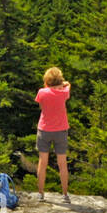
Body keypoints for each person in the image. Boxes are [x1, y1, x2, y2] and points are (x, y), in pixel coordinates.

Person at [34, 67, 72, 203]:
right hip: (61, 130)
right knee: (62, 163)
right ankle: (65, 195)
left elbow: (41, 100)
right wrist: (62, 85)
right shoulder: (64, 93)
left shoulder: (41, 92)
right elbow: (68, 85)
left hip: (44, 129)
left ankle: (40, 194)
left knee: (42, 162)